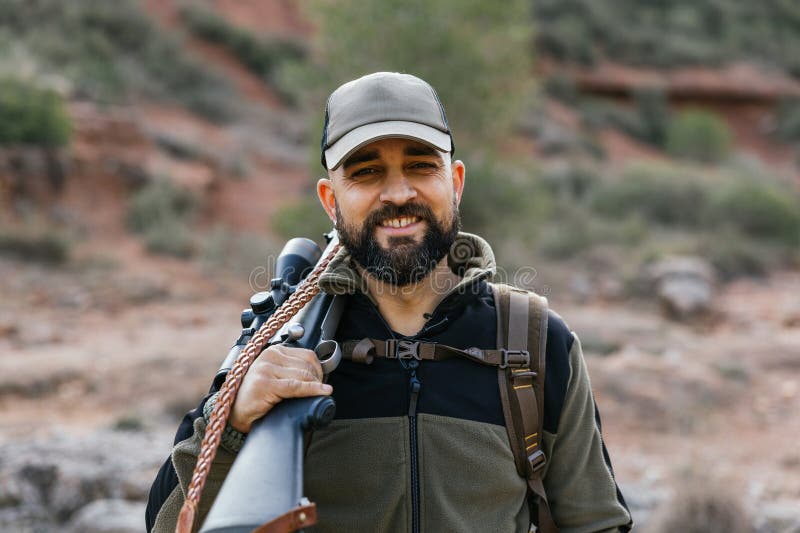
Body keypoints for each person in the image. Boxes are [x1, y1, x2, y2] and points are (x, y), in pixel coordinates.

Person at [146, 72, 633, 532]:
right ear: (330, 201)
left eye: (421, 165)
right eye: (367, 172)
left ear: (456, 182)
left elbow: (596, 523)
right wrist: (232, 421)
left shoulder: (536, 340)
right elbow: (167, 525)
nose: (398, 193)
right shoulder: (281, 340)